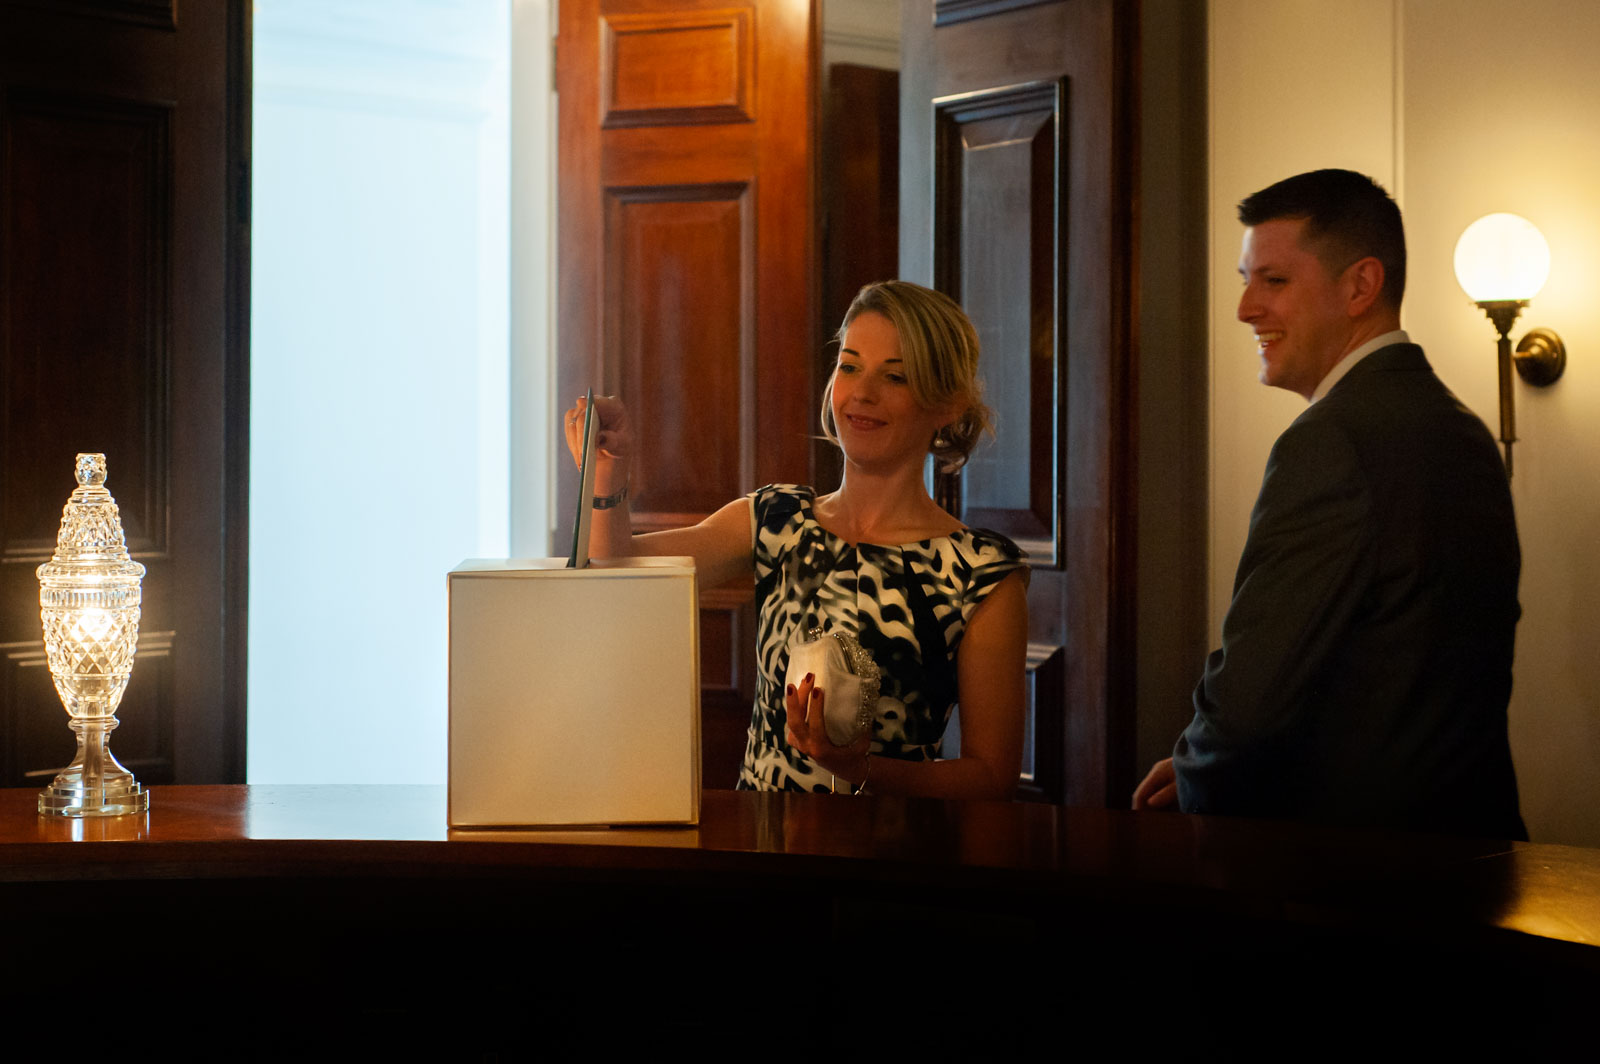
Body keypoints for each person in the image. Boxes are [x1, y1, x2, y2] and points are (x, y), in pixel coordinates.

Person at [1133, 169, 1525, 839]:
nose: (1245, 308)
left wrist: (1199, 775)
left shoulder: (1329, 442)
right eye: (1246, 279)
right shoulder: (1463, 430)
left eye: (1274, 280)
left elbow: (1252, 703)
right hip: (1476, 853)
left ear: (1360, 286)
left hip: (1353, 869)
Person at [564, 281, 1029, 799]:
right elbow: (617, 575)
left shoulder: (980, 572)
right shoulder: (776, 518)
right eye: (849, 367)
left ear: (947, 405)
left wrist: (861, 769)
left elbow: (992, 778)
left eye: (895, 376)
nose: (862, 393)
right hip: (760, 842)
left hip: (895, 845)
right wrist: (605, 476)